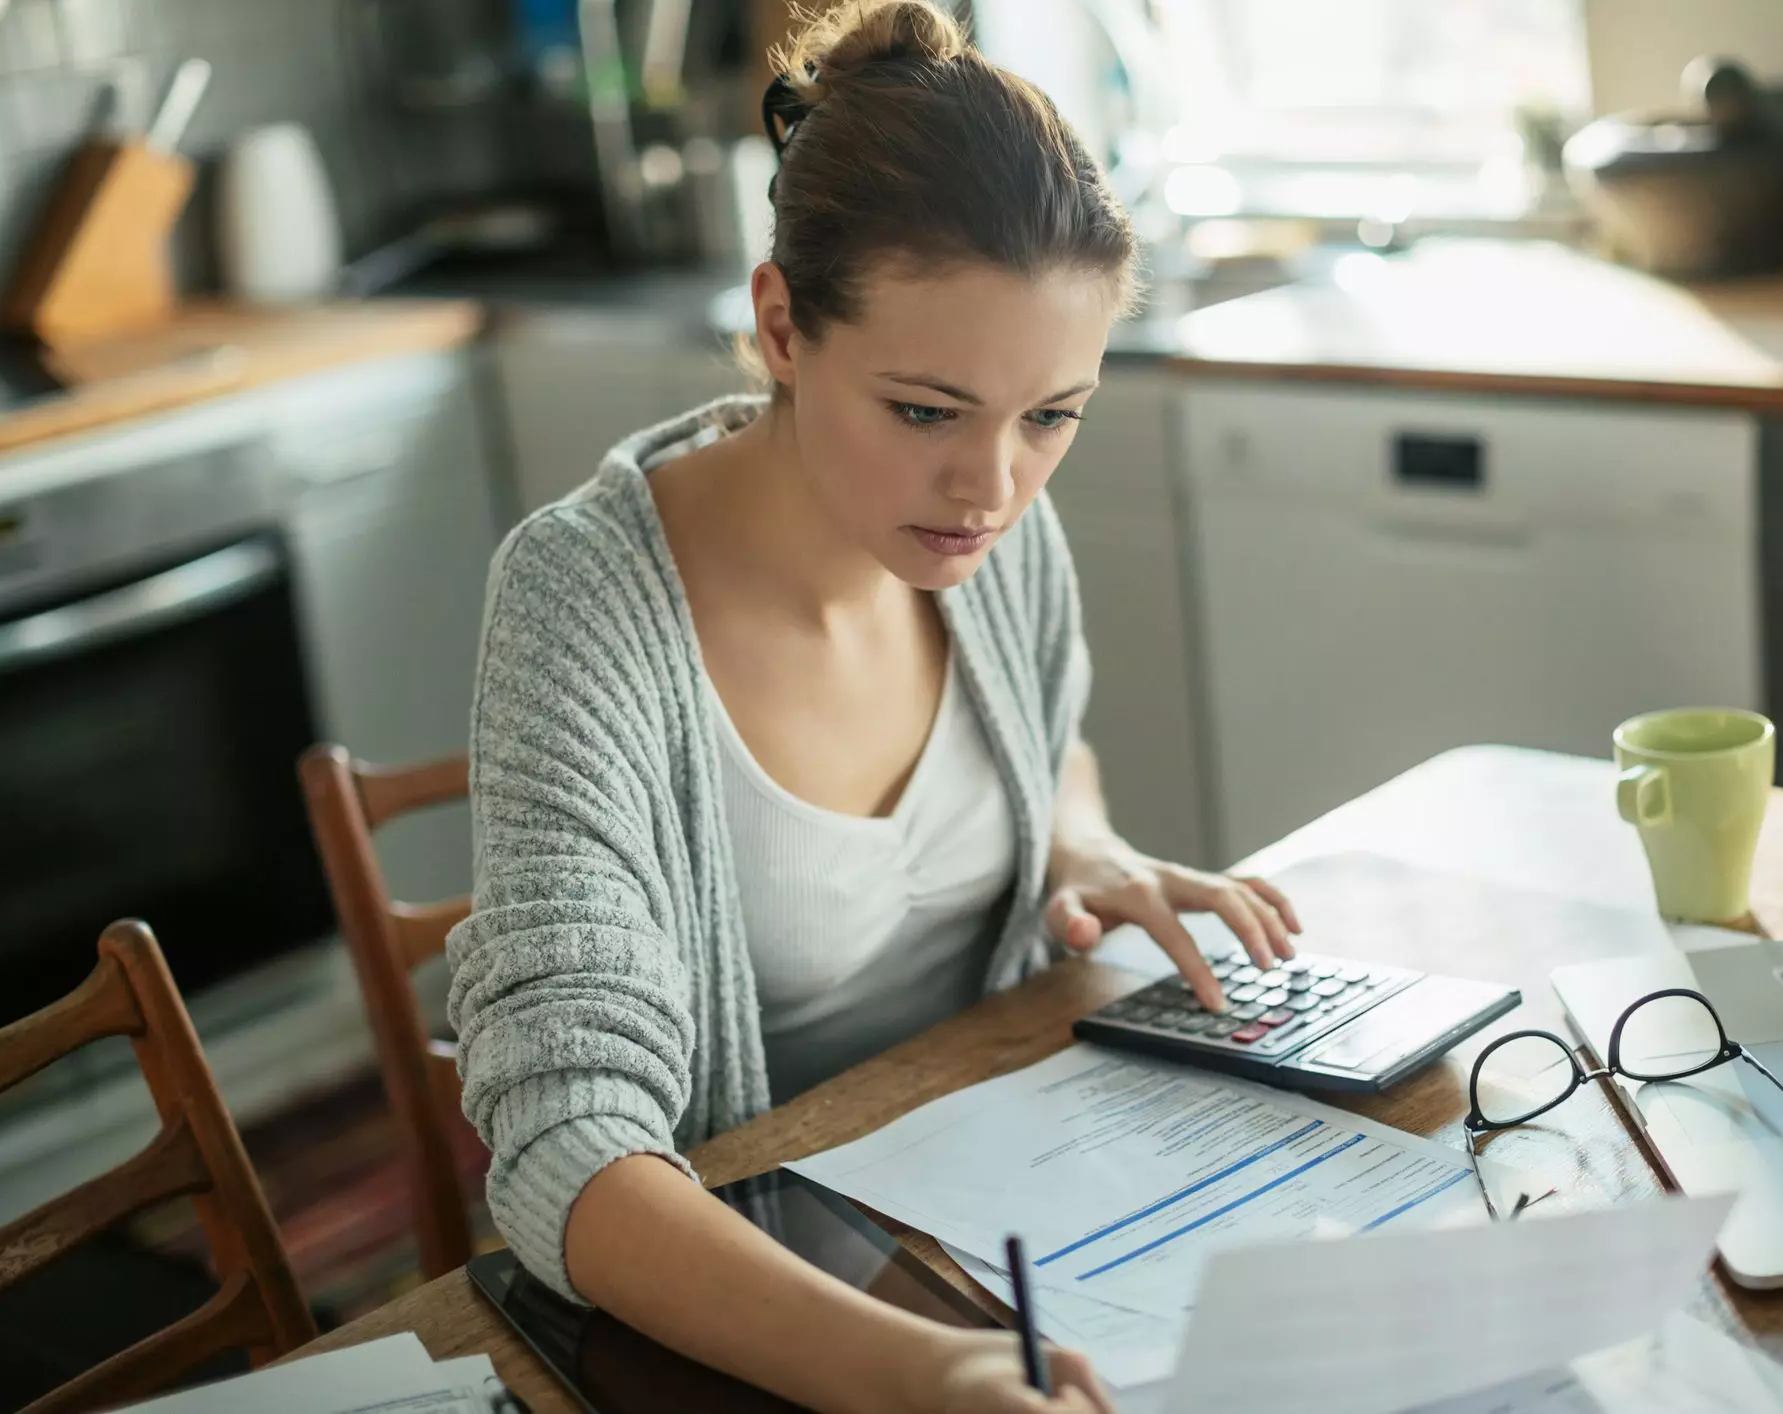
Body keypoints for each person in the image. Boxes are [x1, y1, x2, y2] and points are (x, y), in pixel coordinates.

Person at [446, 3, 1301, 1409]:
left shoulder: (994, 534)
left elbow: (1043, 740)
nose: (993, 486)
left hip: (998, 1238)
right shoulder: (583, 602)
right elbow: (566, 1150)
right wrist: (918, 1378)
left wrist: (1080, 841)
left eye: (1052, 416)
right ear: (781, 324)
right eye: (925, 411)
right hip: (764, 1330)